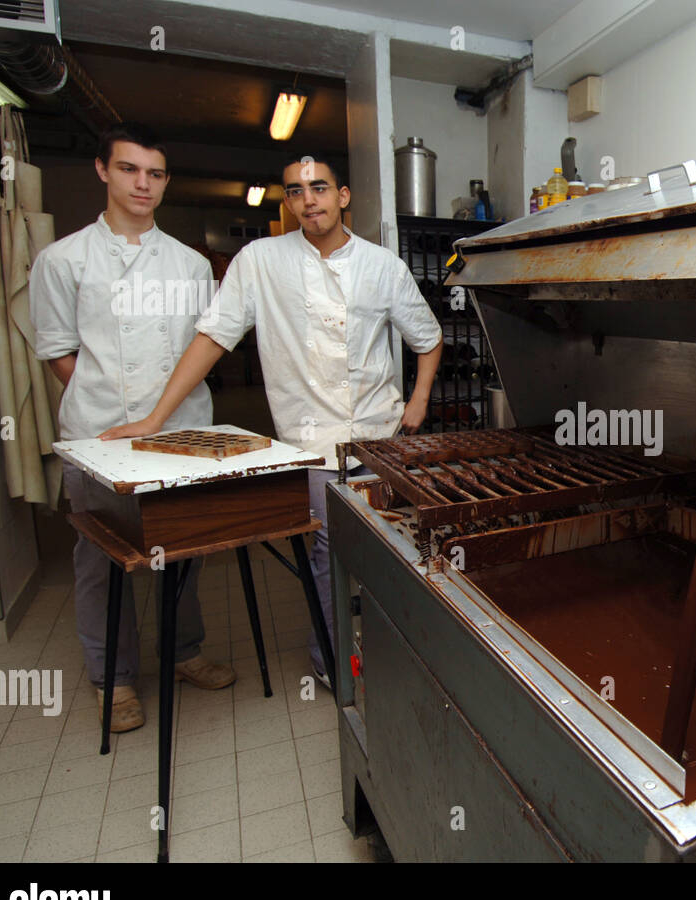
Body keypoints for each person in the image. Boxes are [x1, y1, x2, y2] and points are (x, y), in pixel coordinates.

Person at [101, 152, 443, 687]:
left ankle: (387, 648)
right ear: (287, 201)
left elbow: (428, 338)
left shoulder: (383, 267)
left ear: (342, 196)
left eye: (319, 188)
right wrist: (155, 417)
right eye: (295, 191)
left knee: (392, 549)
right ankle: (333, 665)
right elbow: (214, 336)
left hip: (382, 439)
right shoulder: (260, 261)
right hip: (311, 446)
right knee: (332, 552)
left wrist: (418, 401)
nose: (308, 200)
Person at [30, 122, 236, 732]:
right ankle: (112, 681)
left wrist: (156, 415)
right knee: (101, 558)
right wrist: (108, 408)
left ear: (166, 181)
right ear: (103, 171)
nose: (142, 184)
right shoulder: (62, 260)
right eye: (128, 169)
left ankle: (182, 652)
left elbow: (205, 346)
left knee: (184, 552)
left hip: (182, 434)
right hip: (99, 437)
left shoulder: (192, 263)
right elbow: (59, 354)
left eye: (154, 173)